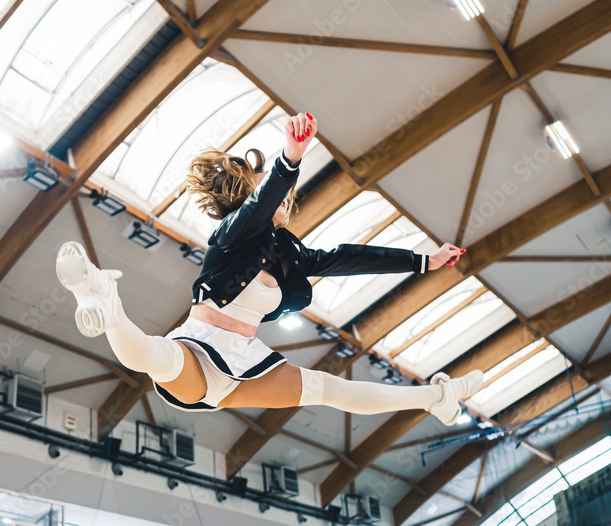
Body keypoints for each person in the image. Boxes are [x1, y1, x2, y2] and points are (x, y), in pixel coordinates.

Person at [56, 112, 481, 425]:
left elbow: (347, 256)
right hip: (200, 346)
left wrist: (425, 261)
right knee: (158, 357)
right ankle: (102, 299)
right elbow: (259, 206)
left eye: (279, 191)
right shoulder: (232, 232)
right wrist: (290, 159)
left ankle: (435, 398)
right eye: (266, 191)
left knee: (333, 390)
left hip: (244, 364)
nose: (279, 197)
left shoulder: (290, 253)